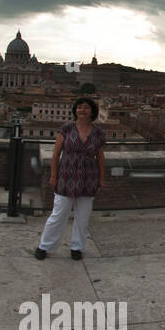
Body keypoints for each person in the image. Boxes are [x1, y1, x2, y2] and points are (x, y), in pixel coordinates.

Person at [34, 97, 105, 259]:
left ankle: (77, 247)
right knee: (58, 214)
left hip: (89, 178)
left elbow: (100, 157)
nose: (82, 110)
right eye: (79, 107)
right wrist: (53, 175)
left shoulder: (98, 132)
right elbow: (55, 154)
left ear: (92, 111)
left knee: (83, 217)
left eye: (86, 107)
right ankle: (44, 246)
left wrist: (102, 178)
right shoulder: (66, 129)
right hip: (66, 176)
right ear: (75, 110)